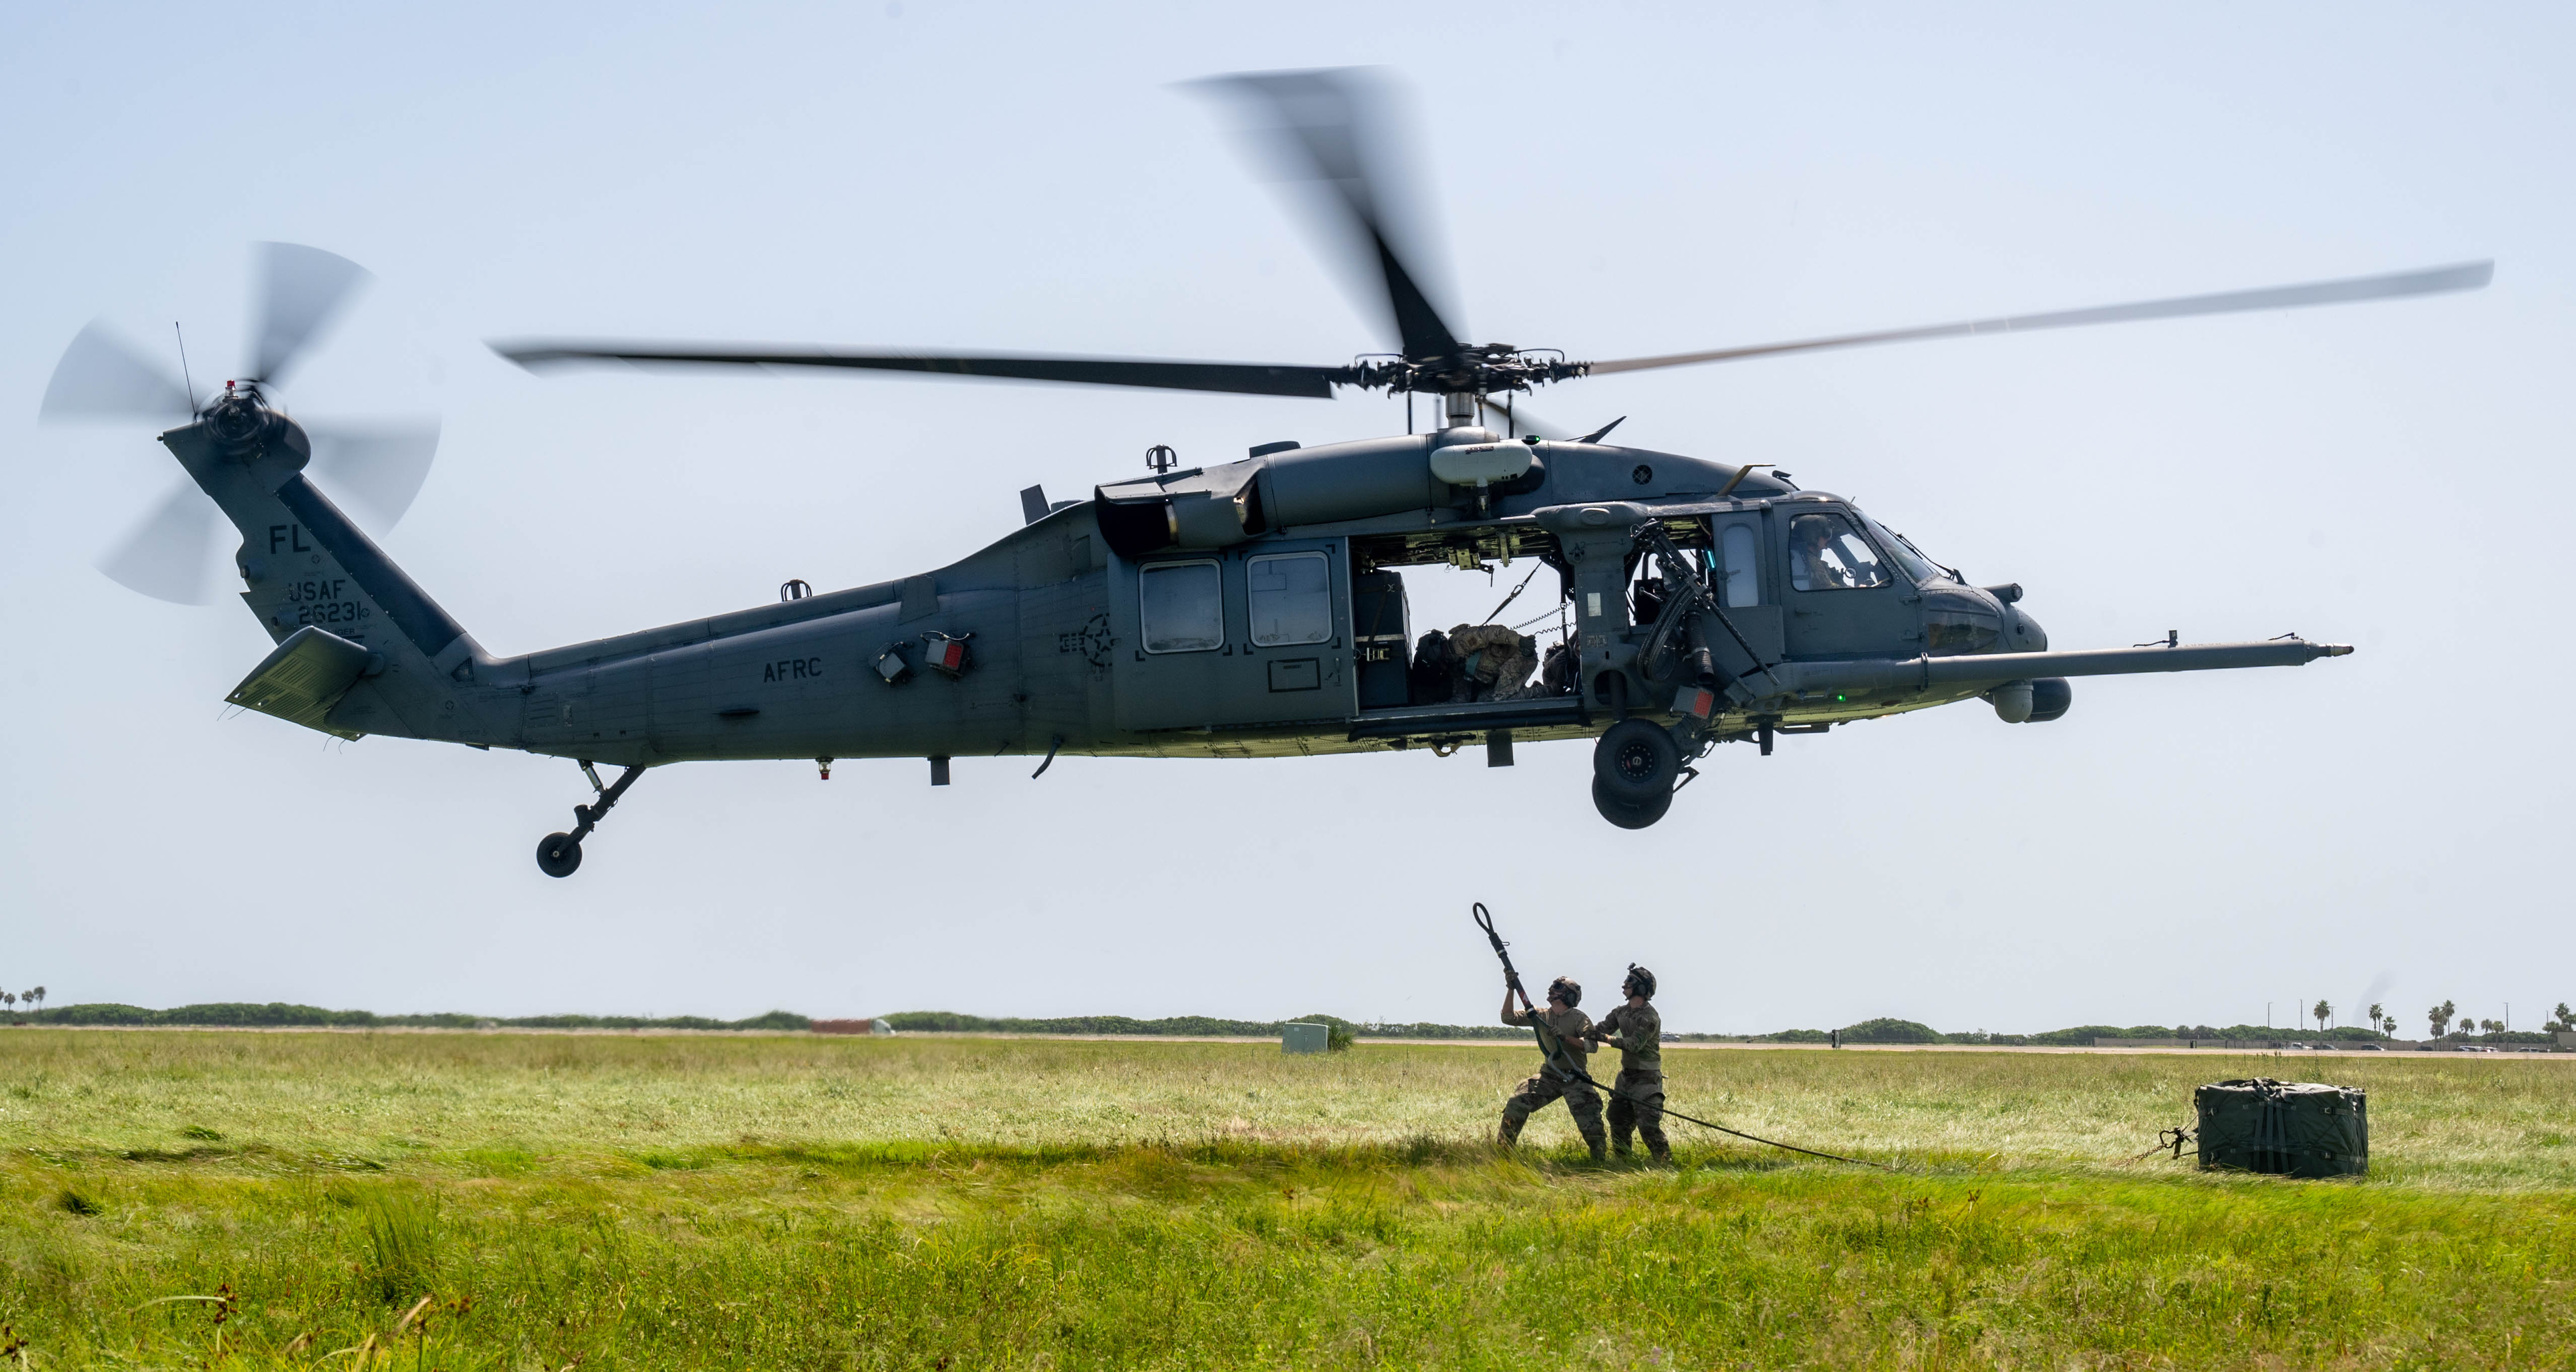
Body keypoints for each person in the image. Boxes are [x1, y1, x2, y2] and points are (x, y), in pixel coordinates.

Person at [1498, 974, 1608, 1161]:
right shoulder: (1540, 1015)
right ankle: (1503, 1155)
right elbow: (1508, 1018)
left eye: (1557, 987)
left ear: (1568, 995)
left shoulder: (1579, 1018)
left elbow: (1592, 1045)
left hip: (1575, 1077)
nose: (1551, 989)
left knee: (1591, 1123)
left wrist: (1565, 1038)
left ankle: (1600, 1162)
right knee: (1517, 1102)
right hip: (1549, 1075)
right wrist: (1511, 988)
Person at [1587, 964, 1669, 1164]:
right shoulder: (1621, 1012)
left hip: (1647, 1080)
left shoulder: (1650, 1017)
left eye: (1631, 981)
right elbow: (1599, 1029)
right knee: (1617, 1120)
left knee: (1648, 1126)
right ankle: (1623, 1163)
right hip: (1626, 1078)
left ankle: (1665, 1164)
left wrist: (1604, 1038)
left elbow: (1634, 1045)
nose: (1625, 984)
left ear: (1641, 988)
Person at [1446, 623, 1540, 702]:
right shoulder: (1454, 664)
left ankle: (1544, 692)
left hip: (1521, 656)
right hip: (1505, 671)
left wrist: (1520, 641)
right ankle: (1530, 691)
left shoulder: (1459, 643)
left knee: (1502, 699)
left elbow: (1491, 633)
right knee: (1485, 701)